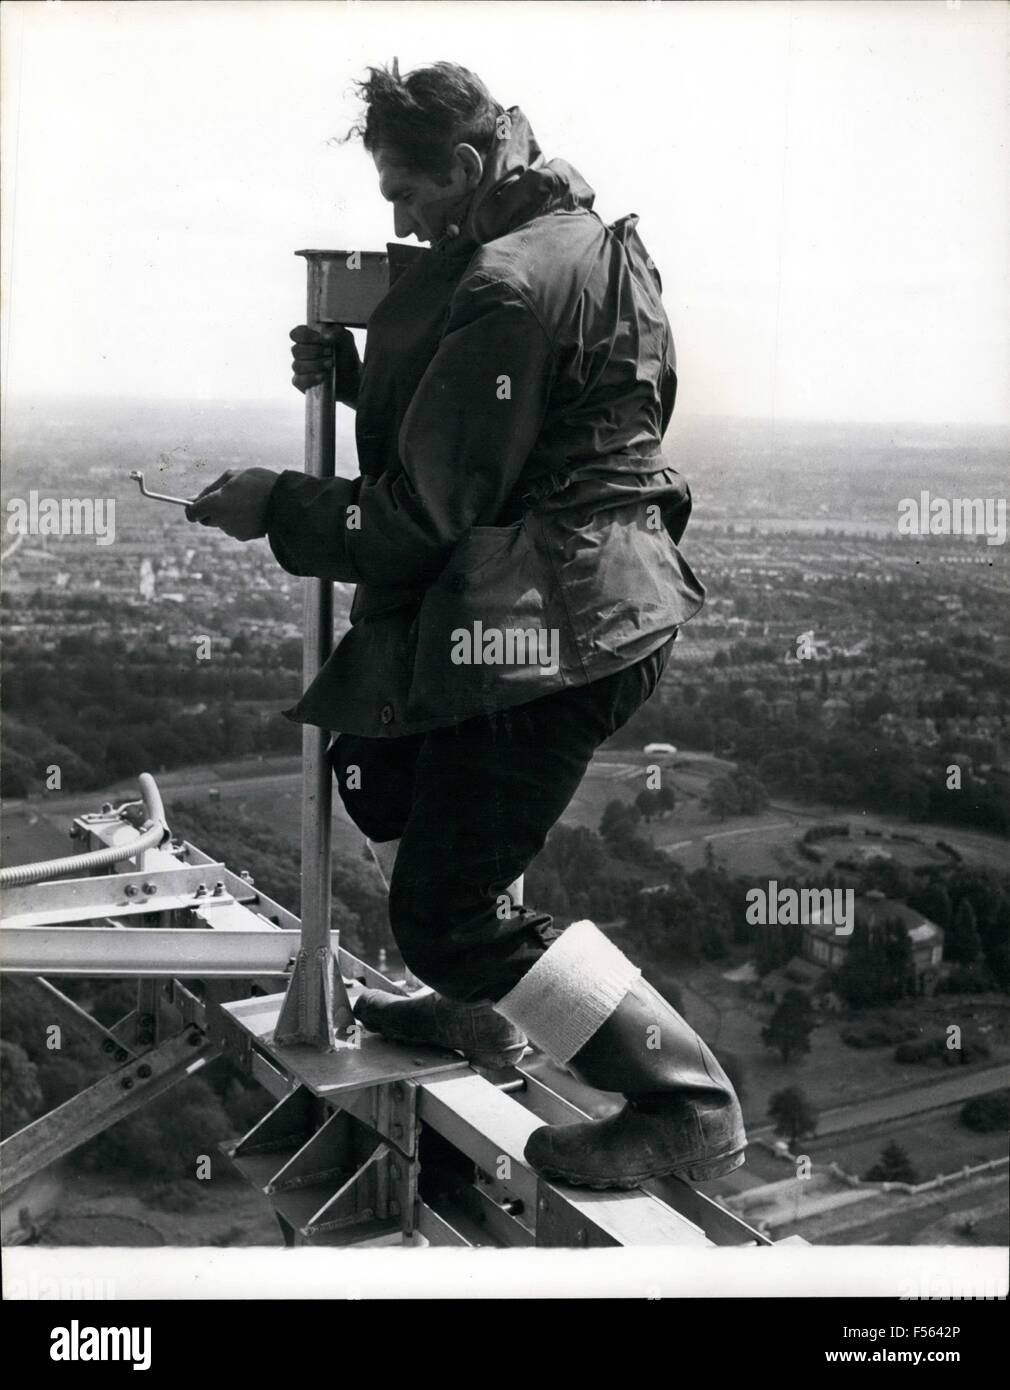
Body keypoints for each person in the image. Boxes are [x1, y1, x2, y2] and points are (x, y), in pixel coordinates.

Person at [187, 60, 745, 1190]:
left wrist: (277, 507)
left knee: (444, 911)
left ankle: (682, 1097)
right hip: (572, 596)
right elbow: (531, 417)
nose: (399, 218)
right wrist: (365, 386)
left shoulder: (500, 281)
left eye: (407, 190)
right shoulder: (588, 240)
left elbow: (414, 517)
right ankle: (475, 1010)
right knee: (377, 766)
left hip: (554, 628)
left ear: (474, 161)